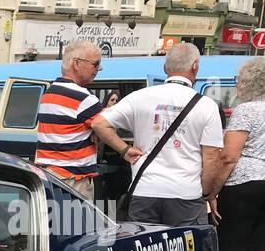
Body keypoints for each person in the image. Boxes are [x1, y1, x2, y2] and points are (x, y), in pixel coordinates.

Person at [93, 43, 224, 224]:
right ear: (195, 66)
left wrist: (123, 150)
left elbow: (99, 124)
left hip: (145, 191)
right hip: (186, 194)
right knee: (187, 250)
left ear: (165, 67)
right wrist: (205, 192)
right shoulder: (207, 106)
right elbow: (211, 159)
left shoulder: (140, 97)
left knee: (145, 248)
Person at [202, 56, 265, 251]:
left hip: (243, 185)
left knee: (233, 249)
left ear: (248, 83)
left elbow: (229, 157)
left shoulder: (246, 111)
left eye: (239, 81)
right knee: (259, 250)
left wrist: (212, 192)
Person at [34, 40, 139, 201]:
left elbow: (91, 125)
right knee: (78, 224)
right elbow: (103, 125)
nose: (99, 69)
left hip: (48, 175)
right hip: (73, 180)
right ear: (77, 63)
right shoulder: (83, 98)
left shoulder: (49, 93)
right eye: (95, 64)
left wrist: (92, 130)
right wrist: (125, 151)